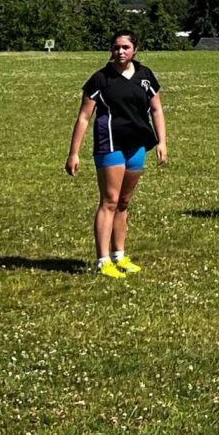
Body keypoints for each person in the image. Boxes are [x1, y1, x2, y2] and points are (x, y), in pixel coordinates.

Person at [64, 31, 168, 278]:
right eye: (116, 47)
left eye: (125, 47)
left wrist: (162, 141)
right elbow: (83, 117)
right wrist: (73, 153)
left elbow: (156, 109)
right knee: (109, 201)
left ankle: (119, 256)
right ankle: (103, 260)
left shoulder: (145, 76)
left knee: (123, 202)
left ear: (135, 50)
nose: (120, 52)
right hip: (109, 145)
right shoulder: (101, 79)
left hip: (137, 146)